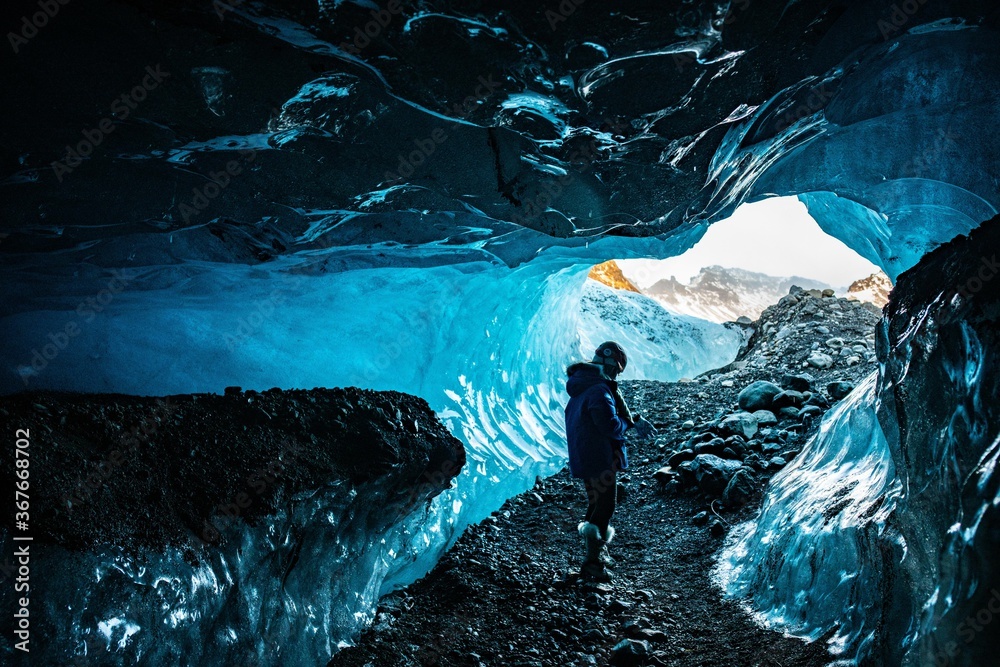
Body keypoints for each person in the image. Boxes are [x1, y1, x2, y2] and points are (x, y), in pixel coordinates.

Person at [564, 341, 655, 580]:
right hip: (600, 458)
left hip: (585, 457)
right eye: (616, 370)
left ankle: (594, 555)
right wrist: (628, 423)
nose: (616, 375)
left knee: (595, 504)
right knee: (606, 505)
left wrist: (629, 418)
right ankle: (593, 564)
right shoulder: (599, 390)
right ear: (610, 364)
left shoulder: (583, 387)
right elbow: (611, 425)